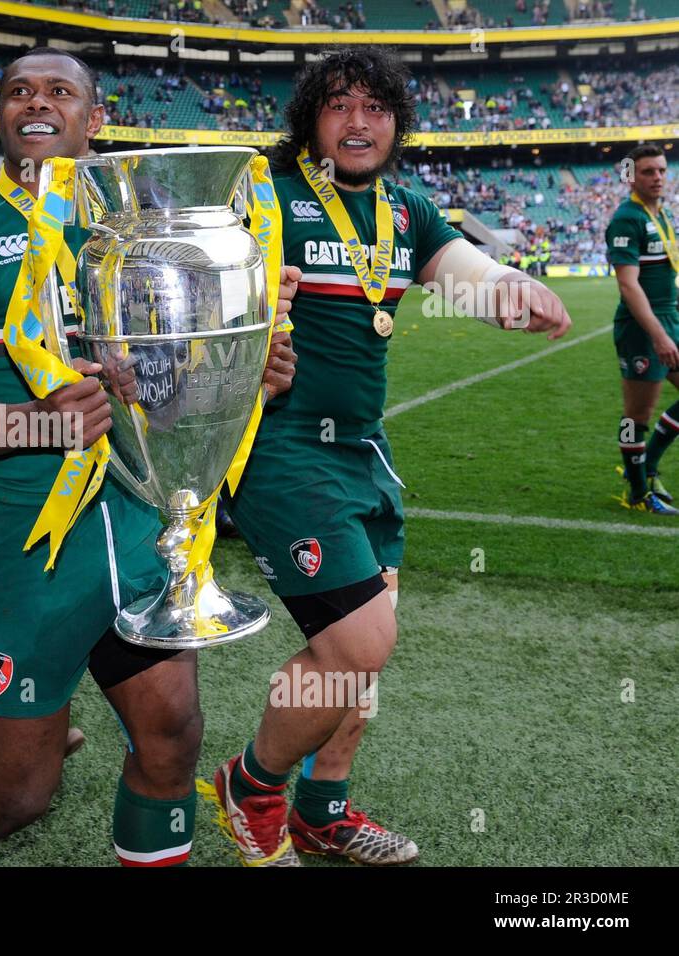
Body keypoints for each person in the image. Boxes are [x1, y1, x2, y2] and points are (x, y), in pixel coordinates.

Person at [0, 47, 298, 866]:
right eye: (18, 91)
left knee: (173, 740)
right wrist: (36, 426)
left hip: (142, 532)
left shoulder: (141, 232)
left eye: (60, 91)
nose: (37, 103)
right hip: (22, 550)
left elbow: (164, 389)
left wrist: (246, 379)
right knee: (12, 795)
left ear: (95, 118)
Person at [212, 47, 571, 866]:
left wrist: (513, 293)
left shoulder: (406, 211)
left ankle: (323, 809)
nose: (359, 121)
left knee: (364, 666)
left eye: (376, 107)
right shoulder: (263, 194)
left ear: (397, 124)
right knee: (358, 644)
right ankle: (253, 782)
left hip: (364, 454)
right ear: (311, 120)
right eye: (339, 105)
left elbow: (468, 276)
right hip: (281, 448)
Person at [607, 143, 679, 515]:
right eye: (648, 171)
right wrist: (659, 335)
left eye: (662, 170)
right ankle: (636, 493)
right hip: (641, 326)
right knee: (636, 414)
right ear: (631, 176)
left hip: (670, 317)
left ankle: (647, 467)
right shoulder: (627, 218)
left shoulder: (662, 213)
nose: (658, 178)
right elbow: (628, 285)